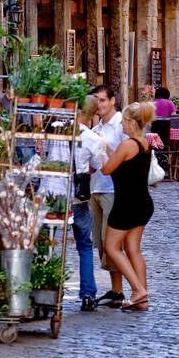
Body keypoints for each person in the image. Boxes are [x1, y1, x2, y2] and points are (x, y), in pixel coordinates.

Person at [99, 101, 156, 310]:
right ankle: (142, 299)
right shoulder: (143, 143)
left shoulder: (127, 145)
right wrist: (108, 148)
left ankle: (138, 289)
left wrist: (100, 150)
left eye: (123, 121)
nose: (121, 124)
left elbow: (106, 169)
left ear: (131, 122)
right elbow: (123, 161)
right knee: (133, 249)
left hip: (126, 205)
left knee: (111, 247)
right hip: (142, 203)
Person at [91, 83, 126, 307]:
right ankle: (115, 290)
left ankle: (122, 289)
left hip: (114, 189)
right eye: (96, 100)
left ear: (112, 100)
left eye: (102, 100)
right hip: (96, 188)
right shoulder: (96, 129)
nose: (99, 105)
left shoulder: (121, 125)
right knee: (102, 243)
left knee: (113, 243)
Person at [71, 97, 104, 311]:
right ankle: (87, 293)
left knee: (45, 242)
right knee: (84, 245)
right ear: (93, 115)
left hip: (52, 192)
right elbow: (96, 166)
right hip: (78, 195)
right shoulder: (91, 137)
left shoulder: (55, 128)